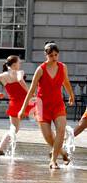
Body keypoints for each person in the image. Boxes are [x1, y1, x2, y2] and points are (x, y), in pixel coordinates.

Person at [19, 41, 74, 171]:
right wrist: (23, 109)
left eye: (56, 55)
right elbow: (31, 90)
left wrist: (71, 94)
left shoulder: (63, 67)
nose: (54, 58)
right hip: (42, 106)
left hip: (58, 104)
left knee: (61, 130)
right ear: (46, 55)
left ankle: (53, 161)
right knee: (49, 137)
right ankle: (63, 153)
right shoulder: (40, 70)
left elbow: (66, 82)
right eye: (51, 56)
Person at [0, 55, 29, 156]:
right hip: (26, 102)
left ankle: (0, 148)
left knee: (13, 128)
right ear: (14, 64)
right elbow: (20, 80)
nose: (20, 64)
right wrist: (31, 92)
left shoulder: (2, 76)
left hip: (14, 104)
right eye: (19, 62)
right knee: (44, 120)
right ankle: (55, 146)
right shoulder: (19, 72)